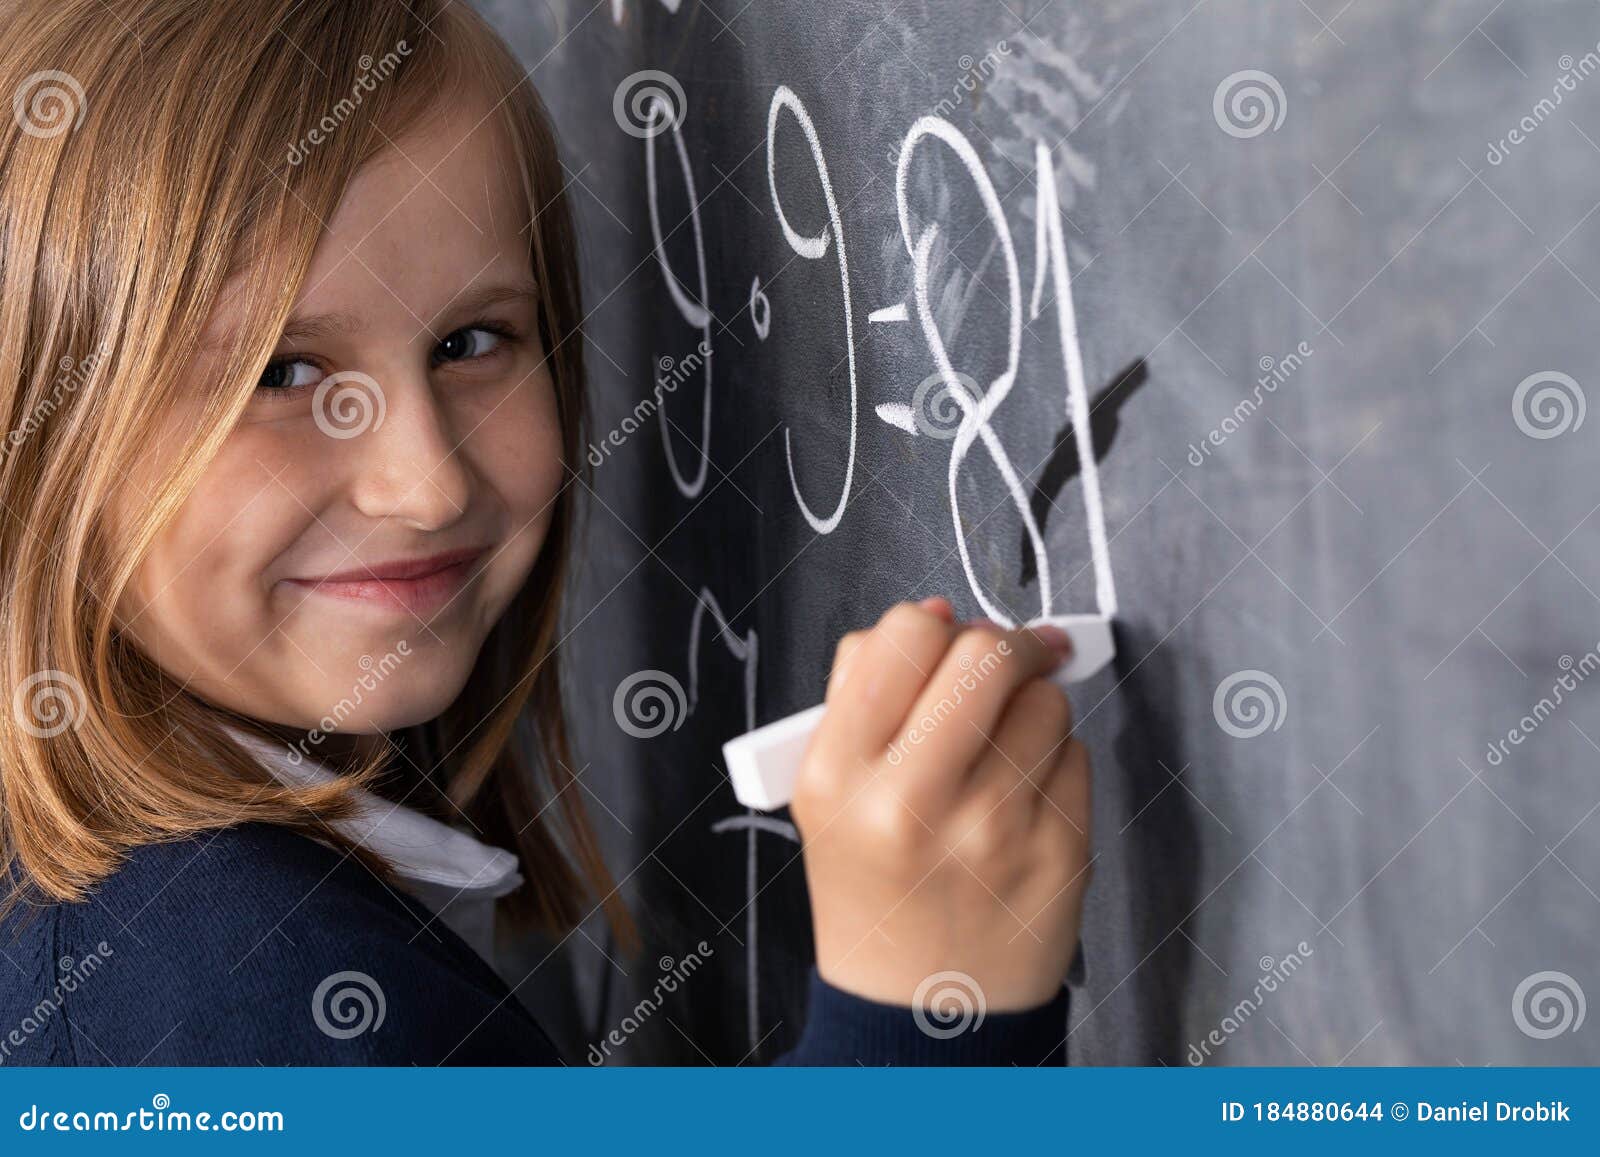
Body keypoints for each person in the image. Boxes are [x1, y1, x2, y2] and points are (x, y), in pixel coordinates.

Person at [0, 0, 1092, 1066]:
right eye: (283, 374)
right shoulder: (254, 1012)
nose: (424, 485)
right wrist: (919, 1016)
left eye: (472, 340)